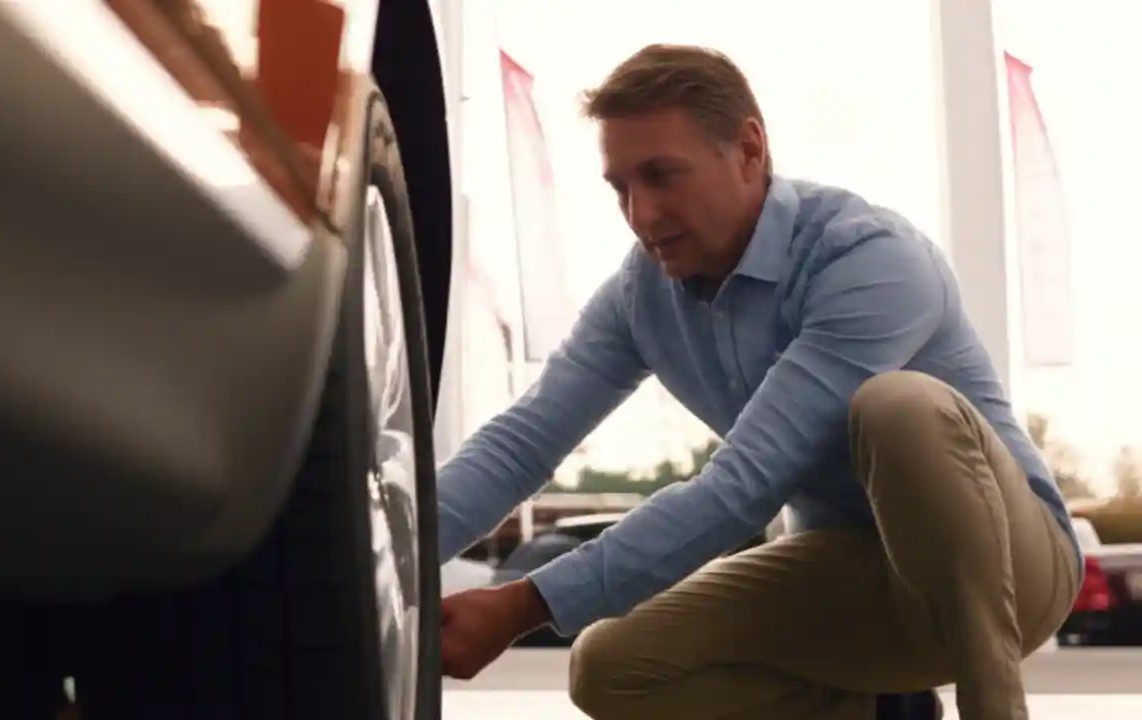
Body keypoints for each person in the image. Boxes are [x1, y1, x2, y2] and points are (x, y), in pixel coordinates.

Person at [435, 44, 1082, 720]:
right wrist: (388, 558)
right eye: (621, 187)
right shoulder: (639, 295)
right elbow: (520, 445)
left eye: (661, 176)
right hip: (846, 574)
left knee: (899, 408)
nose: (641, 214)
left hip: (1012, 569)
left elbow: (742, 486)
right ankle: (886, 712)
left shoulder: (869, 258)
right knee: (611, 668)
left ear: (749, 150)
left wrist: (523, 605)